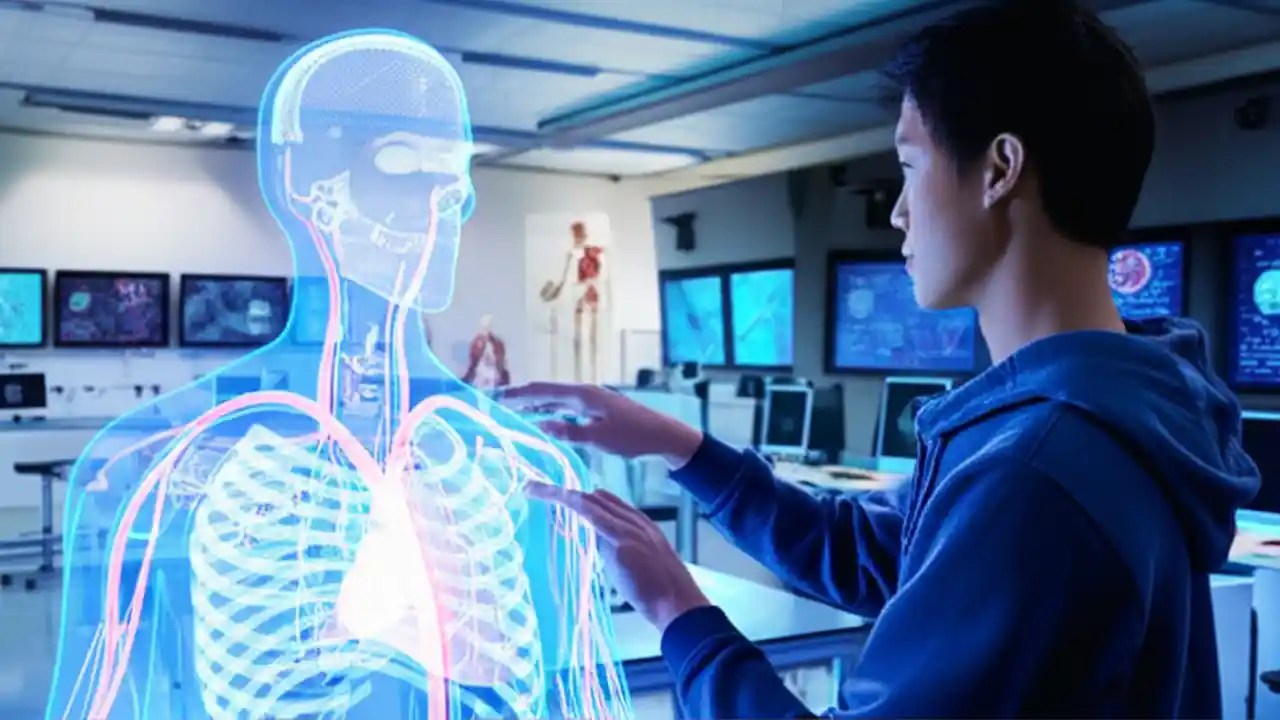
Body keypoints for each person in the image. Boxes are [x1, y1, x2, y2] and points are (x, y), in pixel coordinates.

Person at [502, 1, 1262, 718]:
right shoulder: (1112, 413)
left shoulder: (1038, 468)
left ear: (999, 169)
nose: (897, 211)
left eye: (908, 165)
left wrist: (676, 608)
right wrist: (677, 442)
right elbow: (875, 556)